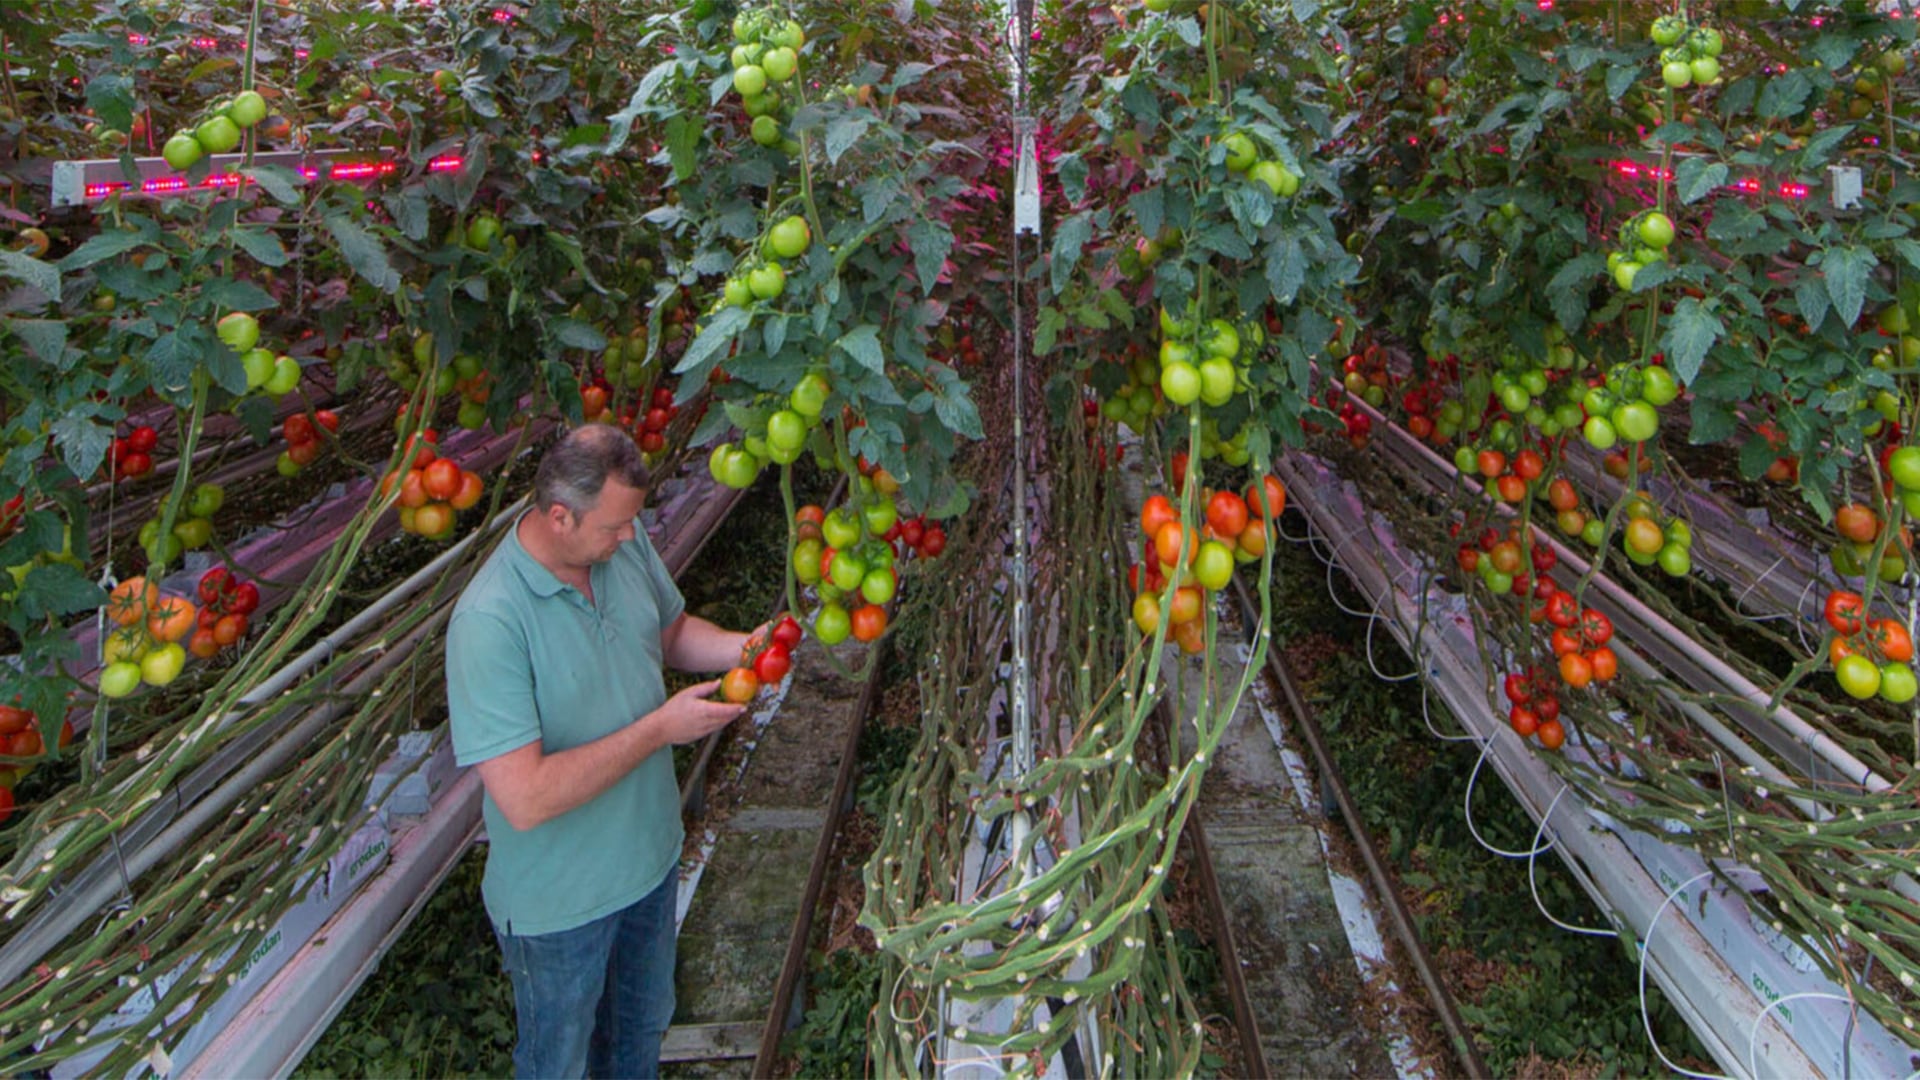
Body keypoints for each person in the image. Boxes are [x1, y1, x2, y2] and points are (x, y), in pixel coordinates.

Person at [446, 424, 756, 1079]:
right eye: (612, 527)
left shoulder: (622, 542)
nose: (629, 538)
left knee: (636, 1045)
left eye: (631, 524)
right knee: (560, 1063)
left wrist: (742, 649)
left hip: (648, 865)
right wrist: (656, 730)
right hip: (560, 909)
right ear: (559, 517)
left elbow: (670, 632)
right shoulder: (490, 623)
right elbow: (525, 798)